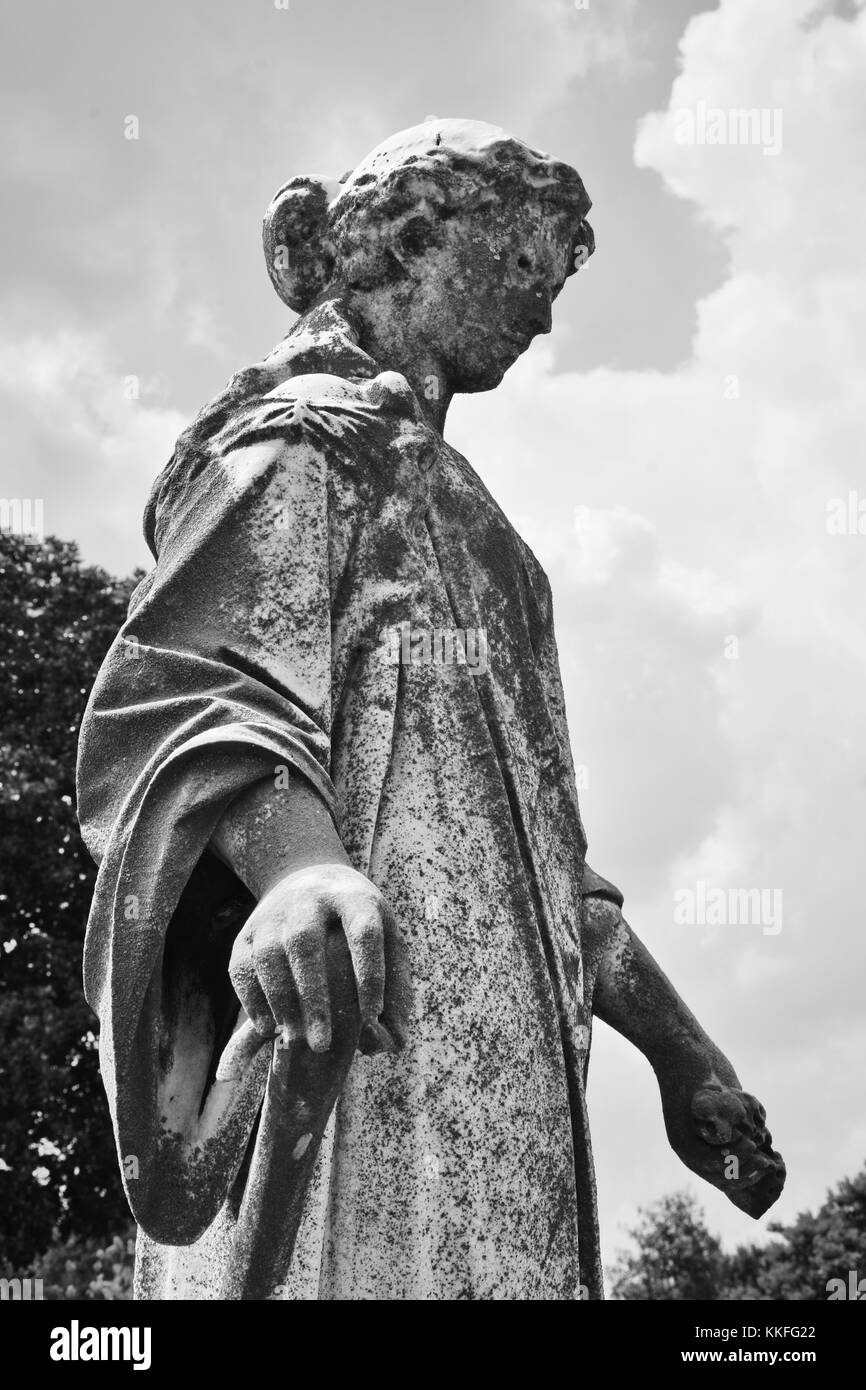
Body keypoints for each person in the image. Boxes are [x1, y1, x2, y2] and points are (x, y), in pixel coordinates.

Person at [77, 119, 784, 1301]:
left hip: (507, 1073)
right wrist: (297, 868)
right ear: (412, 236)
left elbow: (561, 877)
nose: (546, 315)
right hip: (363, 1034)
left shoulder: (496, 549)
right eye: (523, 268)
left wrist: (680, 1056)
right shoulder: (300, 453)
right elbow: (192, 698)